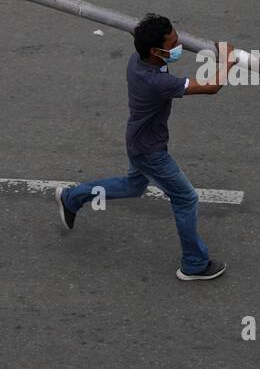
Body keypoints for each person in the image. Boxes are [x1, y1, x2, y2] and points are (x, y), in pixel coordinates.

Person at [57, 15, 236, 281]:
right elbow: (211, 88)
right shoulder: (158, 82)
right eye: (174, 44)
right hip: (151, 151)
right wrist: (228, 62)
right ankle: (194, 263)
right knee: (186, 198)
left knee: (134, 186)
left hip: (139, 142)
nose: (179, 47)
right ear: (155, 51)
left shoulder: (138, 61)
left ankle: (72, 198)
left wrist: (211, 47)